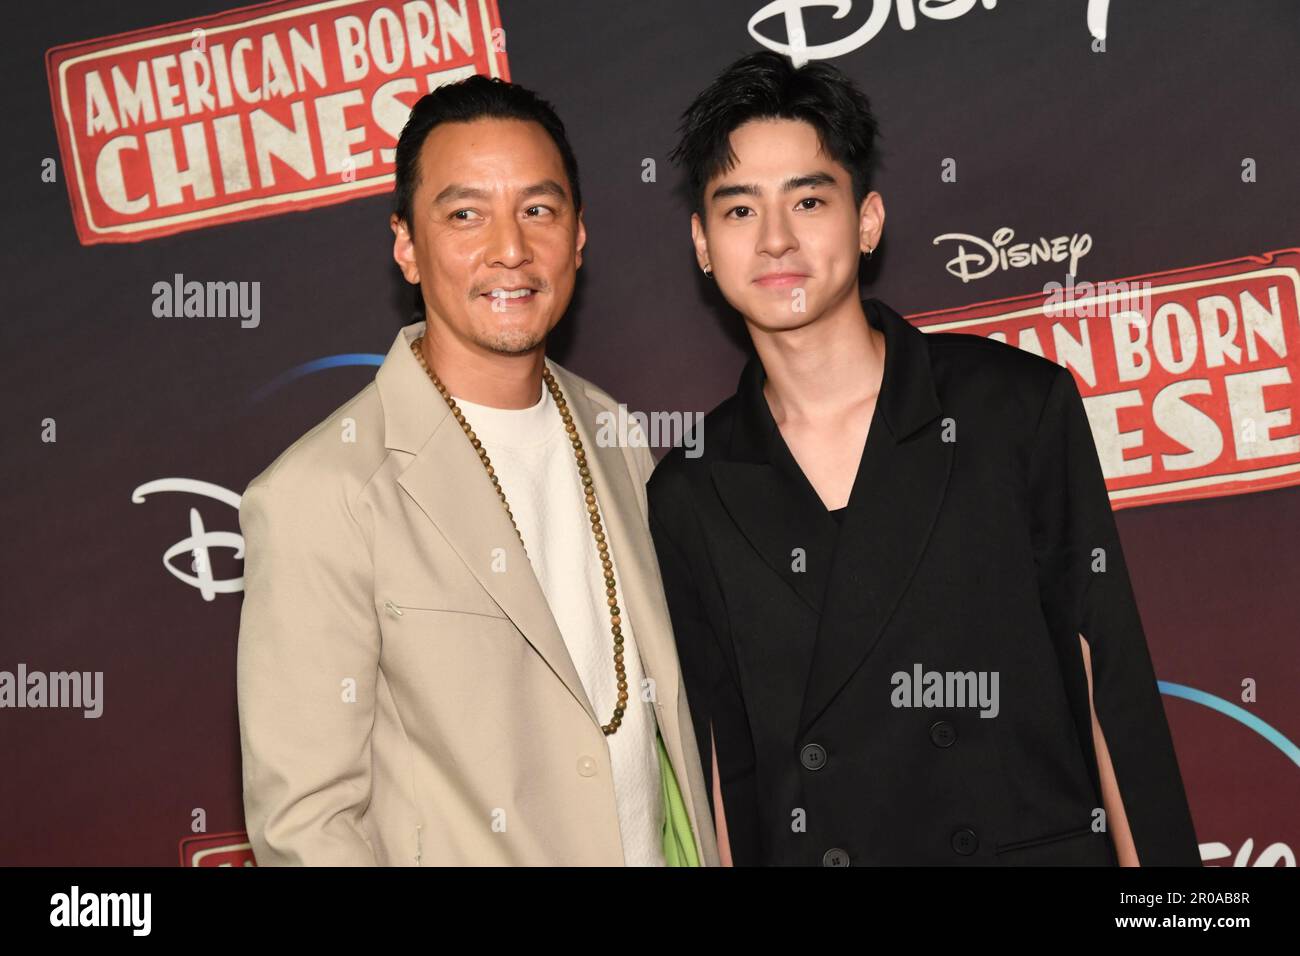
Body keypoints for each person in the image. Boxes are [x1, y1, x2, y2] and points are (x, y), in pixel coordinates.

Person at [647, 50, 1200, 866]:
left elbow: (1105, 684)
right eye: (738, 211)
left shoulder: (1010, 408)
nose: (775, 240)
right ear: (702, 242)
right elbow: (730, 771)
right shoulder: (690, 487)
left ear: (867, 221)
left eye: (807, 199)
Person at [236, 75, 718, 866]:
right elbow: (305, 827)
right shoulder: (321, 495)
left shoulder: (618, 434)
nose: (510, 249)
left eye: (538, 209)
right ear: (405, 245)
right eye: (465, 214)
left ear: (579, 234)